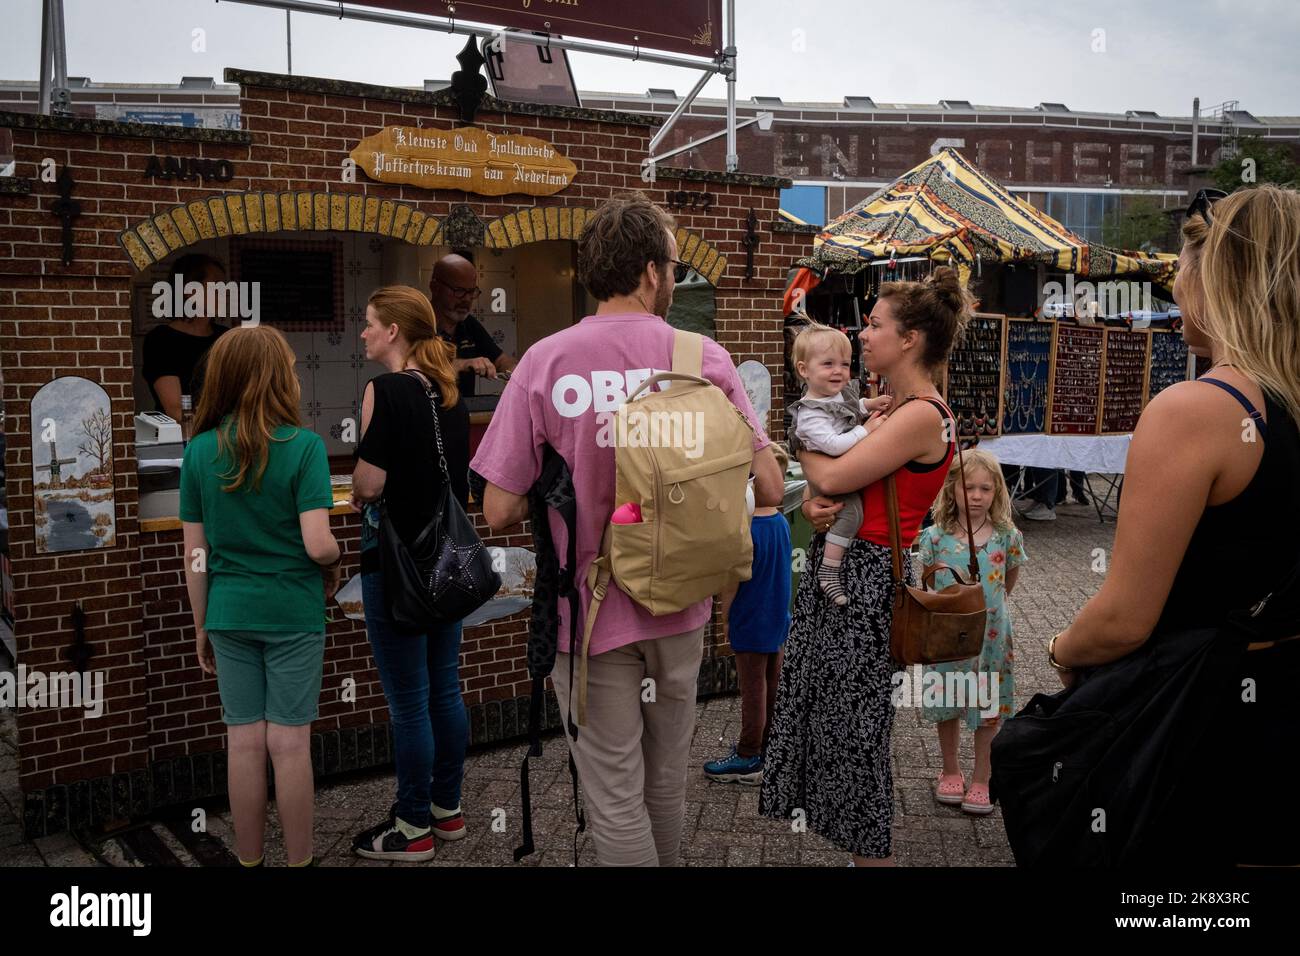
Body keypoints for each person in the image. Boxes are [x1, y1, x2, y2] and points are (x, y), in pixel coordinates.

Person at [472, 193, 784, 866]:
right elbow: (770, 486)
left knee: (614, 797)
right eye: (674, 267)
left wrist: (570, 480)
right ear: (650, 272)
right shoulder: (704, 358)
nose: (676, 280)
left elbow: (496, 509)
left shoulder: (544, 363)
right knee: (665, 784)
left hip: (585, 618)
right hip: (683, 607)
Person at [1050, 185, 1300, 865]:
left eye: (1180, 266)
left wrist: (1062, 651)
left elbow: (1124, 618)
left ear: (1215, 275)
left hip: (1200, 730)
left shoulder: (1199, 408)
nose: (1174, 283)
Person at [759, 266, 972, 866]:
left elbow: (829, 474)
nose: (864, 334)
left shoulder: (921, 414)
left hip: (867, 580)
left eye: (875, 324)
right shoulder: (891, 407)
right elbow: (841, 489)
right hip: (852, 569)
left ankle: (870, 855)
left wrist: (804, 431)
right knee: (832, 721)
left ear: (908, 340)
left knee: (854, 733)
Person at [180, 325, 340, 868]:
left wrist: (202, 624)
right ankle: (300, 862)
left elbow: (195, 557)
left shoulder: (198, 452)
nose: (295, 376)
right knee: (289, 746)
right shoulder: (306, 448)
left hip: (229, 612)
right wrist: (335, 560)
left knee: (243, 743)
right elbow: (318, 543)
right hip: (293, 611)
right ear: (274, 380)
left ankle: (249, 861)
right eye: (290, 368)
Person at [349, 285, 471, 861]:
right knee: (445, 688)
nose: (364, 333)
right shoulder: (448, 393)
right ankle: (447, 810)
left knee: (408, 702)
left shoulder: (386, 390)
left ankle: (412, 826)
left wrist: (357, 492)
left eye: (370, 323)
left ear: (394, 331)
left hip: (394, 566)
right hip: (444, 563)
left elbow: (369, 485)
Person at [917, 448, 1025, 815]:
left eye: (985, 489)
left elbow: (1009, 578)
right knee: (947, 700)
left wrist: (989, 610)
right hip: (948, 636)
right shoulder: (933, 537)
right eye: (968, 488)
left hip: (991, 636)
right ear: (952, 491)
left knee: (987, 705)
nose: (977, 496)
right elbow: (927, 580)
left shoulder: (1007, 536)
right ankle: (950, 770)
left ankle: (982, 776)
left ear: (997, 492)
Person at [704, 443, 794, 785]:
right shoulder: (781, 524)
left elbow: (732, 583)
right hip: (776, 620)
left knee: (752, 688)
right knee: (772, 685)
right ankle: (770, 748)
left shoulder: (744, 530)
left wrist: (727, 618)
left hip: (750, 621)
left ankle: (748, 754)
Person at [786, 323, 892, 605]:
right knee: (851, 513)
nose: (839, 371)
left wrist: (869, 405)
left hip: (838, 465)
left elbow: (849, 408)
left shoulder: (833, 396)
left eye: (845, 364)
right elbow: (833, 444)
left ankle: (831, 565)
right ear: (803, 370)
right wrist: (867, 431)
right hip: (832, 468)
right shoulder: (810, 413)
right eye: (828, 364)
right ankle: (829, 570)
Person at [143, 253, 230, 423]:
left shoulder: (226, 337)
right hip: (187, 441)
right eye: (217, 286)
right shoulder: (161, 340)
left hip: (228, 437)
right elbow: (176, 411)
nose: (225, 293)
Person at [429, 252, 518, 398]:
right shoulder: (418, 321)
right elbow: (419, 368)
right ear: (435, 287)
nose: (467, 299)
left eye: (471, 292)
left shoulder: (468, 324)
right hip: (426, 413)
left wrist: (515, 371)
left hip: (464, 413)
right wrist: (464, 364)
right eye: (459, 291)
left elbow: (501, 360)